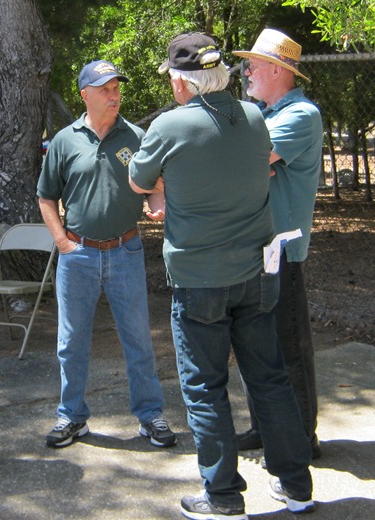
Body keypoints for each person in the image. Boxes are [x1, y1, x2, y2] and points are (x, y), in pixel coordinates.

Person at [129, 33, 314, 518]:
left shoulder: (171, 125)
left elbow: (138, 181)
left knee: (205, 386)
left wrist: (175, 178)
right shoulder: (254, 117)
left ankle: (223, 496)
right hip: (256, 274)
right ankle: (296, 485)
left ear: (183, 82)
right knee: (270, 378)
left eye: (172, 78)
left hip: (199, 277)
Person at [37, 60, 175, 450]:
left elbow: (154, 185)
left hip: (126, 250)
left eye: (116, 88)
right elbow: (46, 196)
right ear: (85, 94)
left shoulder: (137, 136)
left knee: (138, 339)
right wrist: (62, 242)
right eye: (104, 89)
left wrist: (156, 201)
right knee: (71, 341)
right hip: (77, 254)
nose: (114, 95)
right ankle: (72, 417)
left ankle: (150, 417)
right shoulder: (65, 140)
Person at [231, 28, 324, 459]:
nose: (246, 70)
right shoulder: (263, 113)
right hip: (255, 249)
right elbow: (248, 159)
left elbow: (247, 157)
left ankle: (302, 438)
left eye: (252, 63)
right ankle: (266, 429)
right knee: (253, 346)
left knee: (288, 348)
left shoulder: (301, 114)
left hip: (280, 251)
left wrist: (252, 163)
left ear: (274, 69)